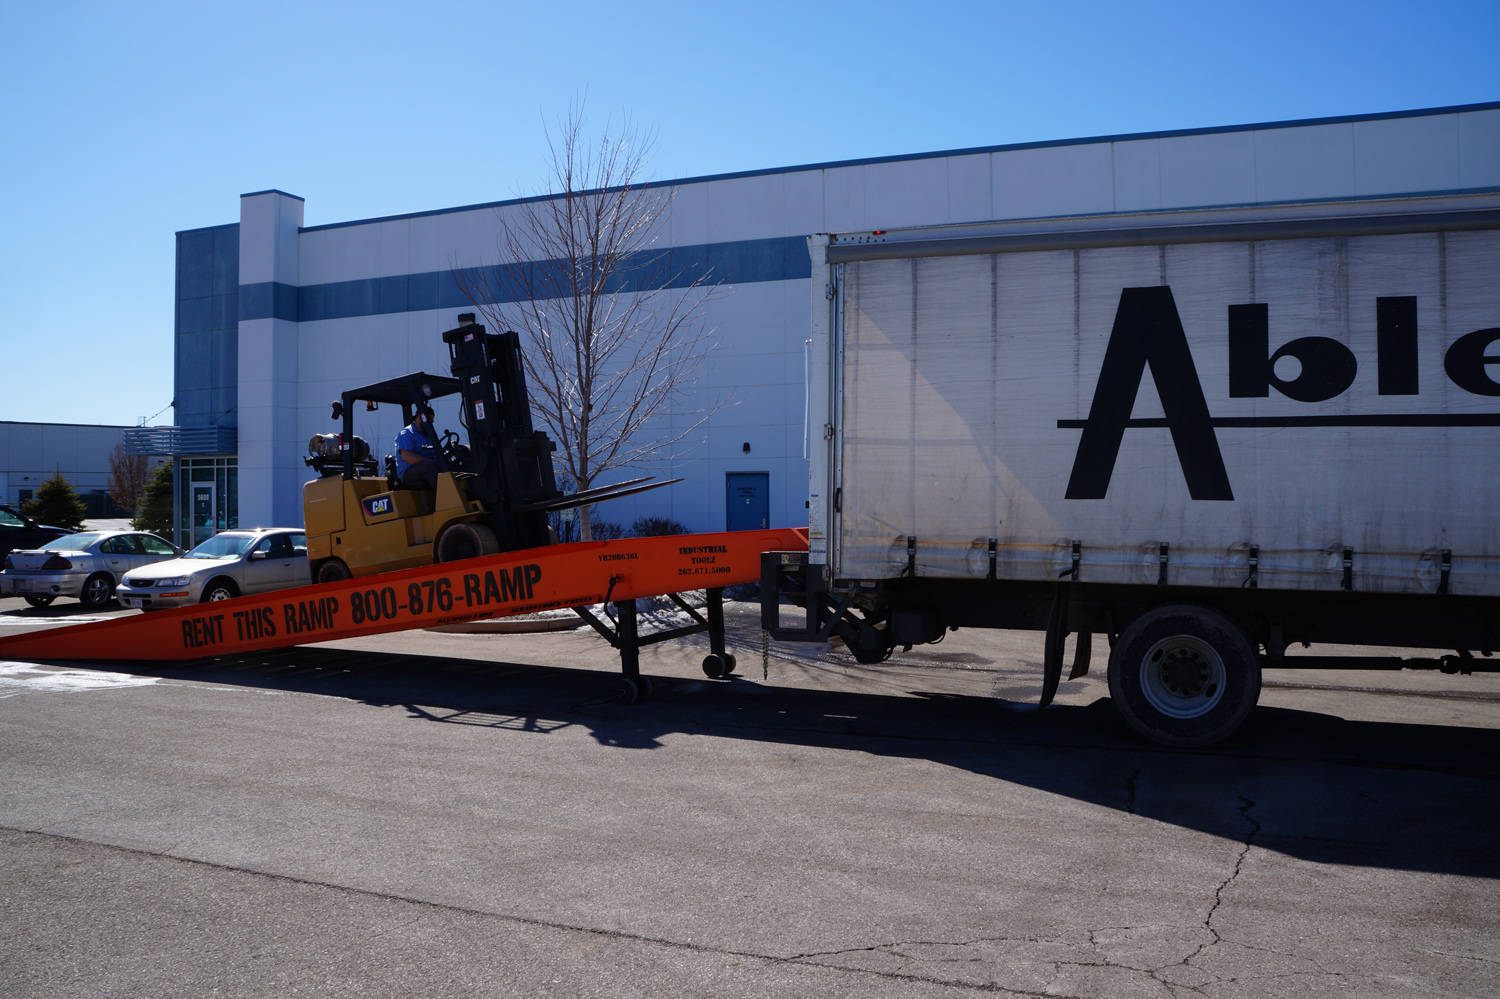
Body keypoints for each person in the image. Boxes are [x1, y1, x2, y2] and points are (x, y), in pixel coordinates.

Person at [394, 406, 439, 490]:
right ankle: (447, 497)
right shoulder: (406, 433)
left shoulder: (428, 435)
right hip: (408, 472)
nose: (432, 421)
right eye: (430, 418)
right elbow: (406, 456)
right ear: (419, 417)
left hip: (426, 468)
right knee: (429, 465)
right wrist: (430, 461)